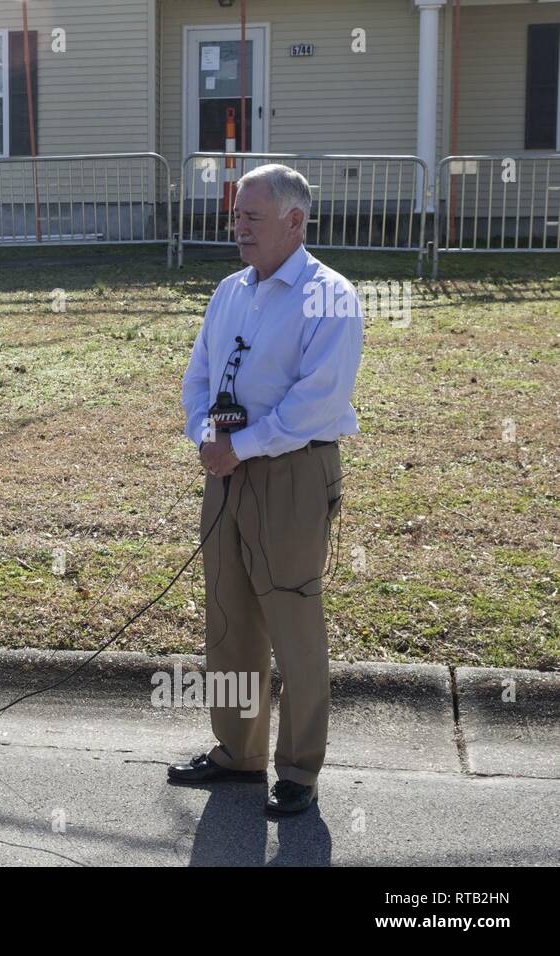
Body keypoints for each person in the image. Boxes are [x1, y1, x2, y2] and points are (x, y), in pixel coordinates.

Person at [173, 164, 363, 815]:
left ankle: (300, 771)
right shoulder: (230, 290)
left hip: (290, 472)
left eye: (252, 216)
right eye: (236, 214)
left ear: (294, 221)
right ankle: (239, 754)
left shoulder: (328, 296)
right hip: (225, 471)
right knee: (229, 619)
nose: (239, 226)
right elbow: (198, 374)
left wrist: (240, 446)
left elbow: (317, 403)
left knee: (291, 620)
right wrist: (204, 431)